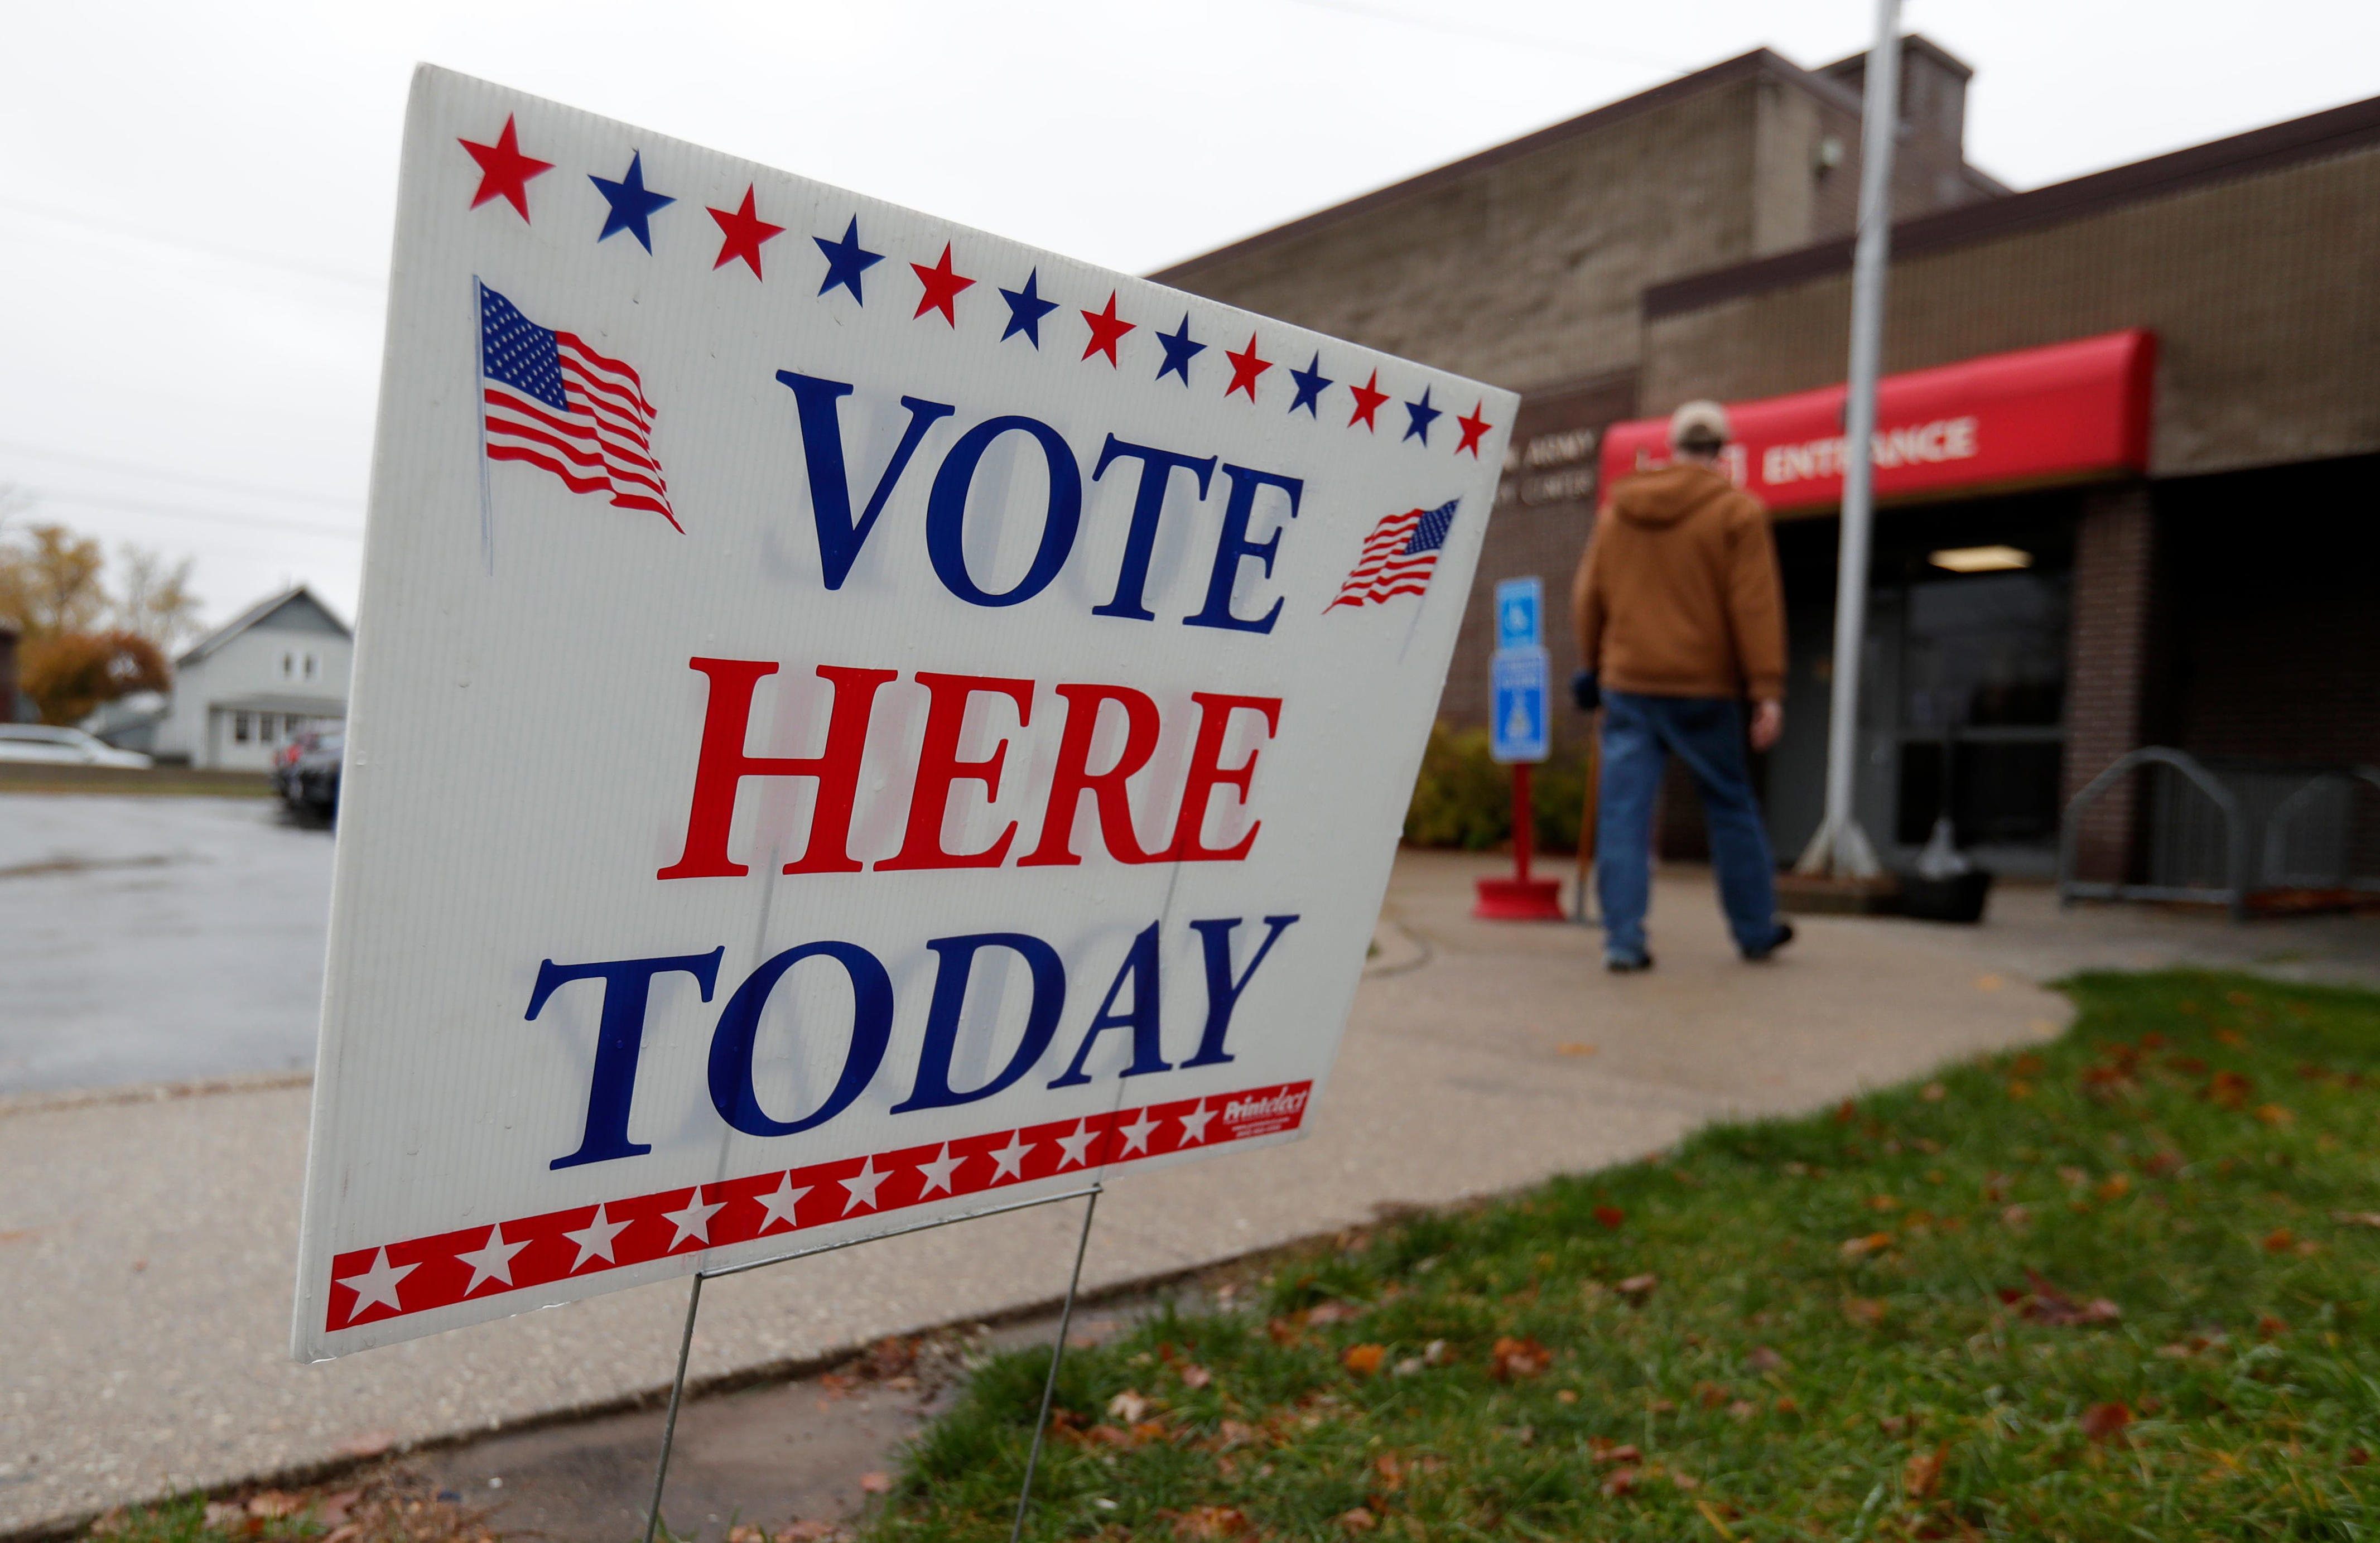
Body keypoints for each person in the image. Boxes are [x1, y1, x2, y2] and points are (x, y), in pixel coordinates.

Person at [1570, 399, 1793, 971]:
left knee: (1625, 812)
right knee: (1730, 805)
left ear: (1670, 448)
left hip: (1629, 684)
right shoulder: (1737, 512)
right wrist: (1765, 687)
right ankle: (1754, 930)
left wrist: (1595, 668)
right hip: (1706, 688)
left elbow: (1587, 599)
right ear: (1723, 451)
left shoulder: (1617, 513)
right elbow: (1754, 606)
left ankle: (1622, 939)